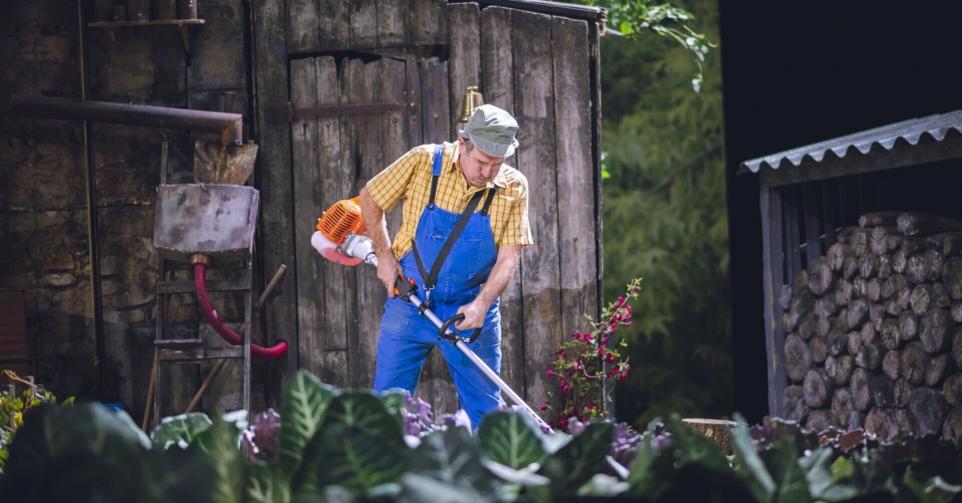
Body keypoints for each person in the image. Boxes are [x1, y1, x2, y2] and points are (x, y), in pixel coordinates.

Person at [358, 104, 532, 428]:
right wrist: (384, 254)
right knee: (386, 408)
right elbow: (370, 197)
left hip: (469, 312)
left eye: (497, 164)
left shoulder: (514, 187)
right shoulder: (423, 161)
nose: (487, 173)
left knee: (487, 415)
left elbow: (509, 258)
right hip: (410, 300)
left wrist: (481, 305)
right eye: (481, 162)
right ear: (463, 143)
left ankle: (492, 476)